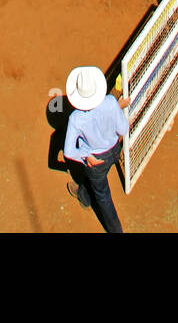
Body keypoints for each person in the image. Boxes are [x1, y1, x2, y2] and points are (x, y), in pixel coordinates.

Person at [63, 66, 130, 233]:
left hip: (95, 160)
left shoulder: (75, 119)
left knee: (102, 194)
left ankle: (116, 230)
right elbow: (123, 129)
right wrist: (117, 109)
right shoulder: (110, 103)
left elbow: (69, 152)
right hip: (115, 151)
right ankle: (84, 196)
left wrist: (86, 156)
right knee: (95, 180)